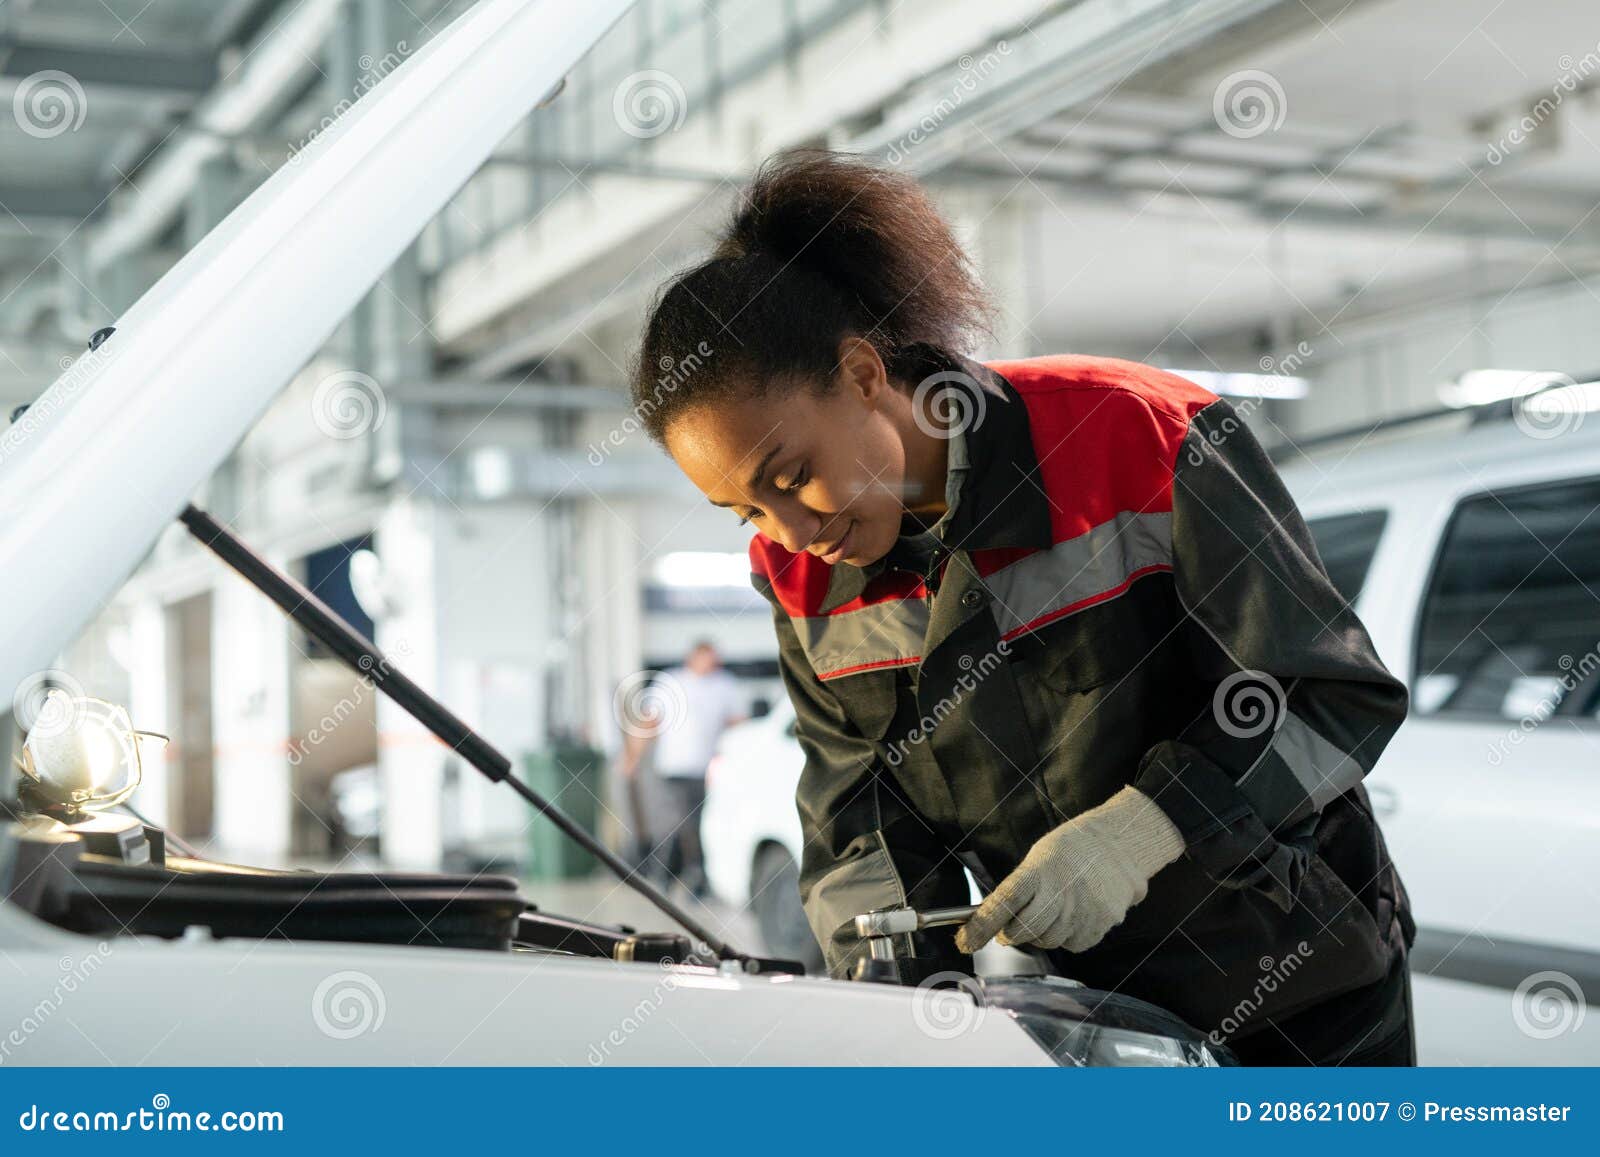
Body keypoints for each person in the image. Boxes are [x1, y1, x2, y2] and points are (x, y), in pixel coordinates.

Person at [628, 150, 1416, 1066]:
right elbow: (860, 832)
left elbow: (1328, 694)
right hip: (1088, 1021)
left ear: (860, 373)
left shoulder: (1138, 436)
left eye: (792, 475)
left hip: (1306, 989)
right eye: (748, 509)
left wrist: (1149, 827)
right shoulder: (804, 575)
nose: (790, 531)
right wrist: (912, 1030)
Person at [617, 641, 744, 898]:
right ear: (693, 657)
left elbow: (737, 723)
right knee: (686, 822)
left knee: (696, 824)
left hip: (709, 769)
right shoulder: (672, 683)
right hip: (675, 768)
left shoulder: (724, 685)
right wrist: (631, 757)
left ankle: (675, 876)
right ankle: (690, 876)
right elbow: (649, 723)